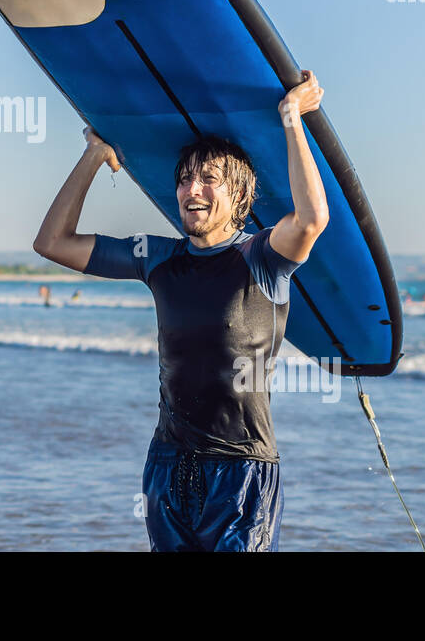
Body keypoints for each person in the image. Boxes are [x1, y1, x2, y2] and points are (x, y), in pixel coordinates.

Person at [33, 71, 328, 551]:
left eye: (210, 180)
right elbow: (52, 242)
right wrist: (93, 155)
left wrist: (293, 119)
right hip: (168, 463)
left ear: (239, 198)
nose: (194, 190)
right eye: (186, 179)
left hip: (241, 468)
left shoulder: (262, 259)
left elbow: (313, 217)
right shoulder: (159, 257)